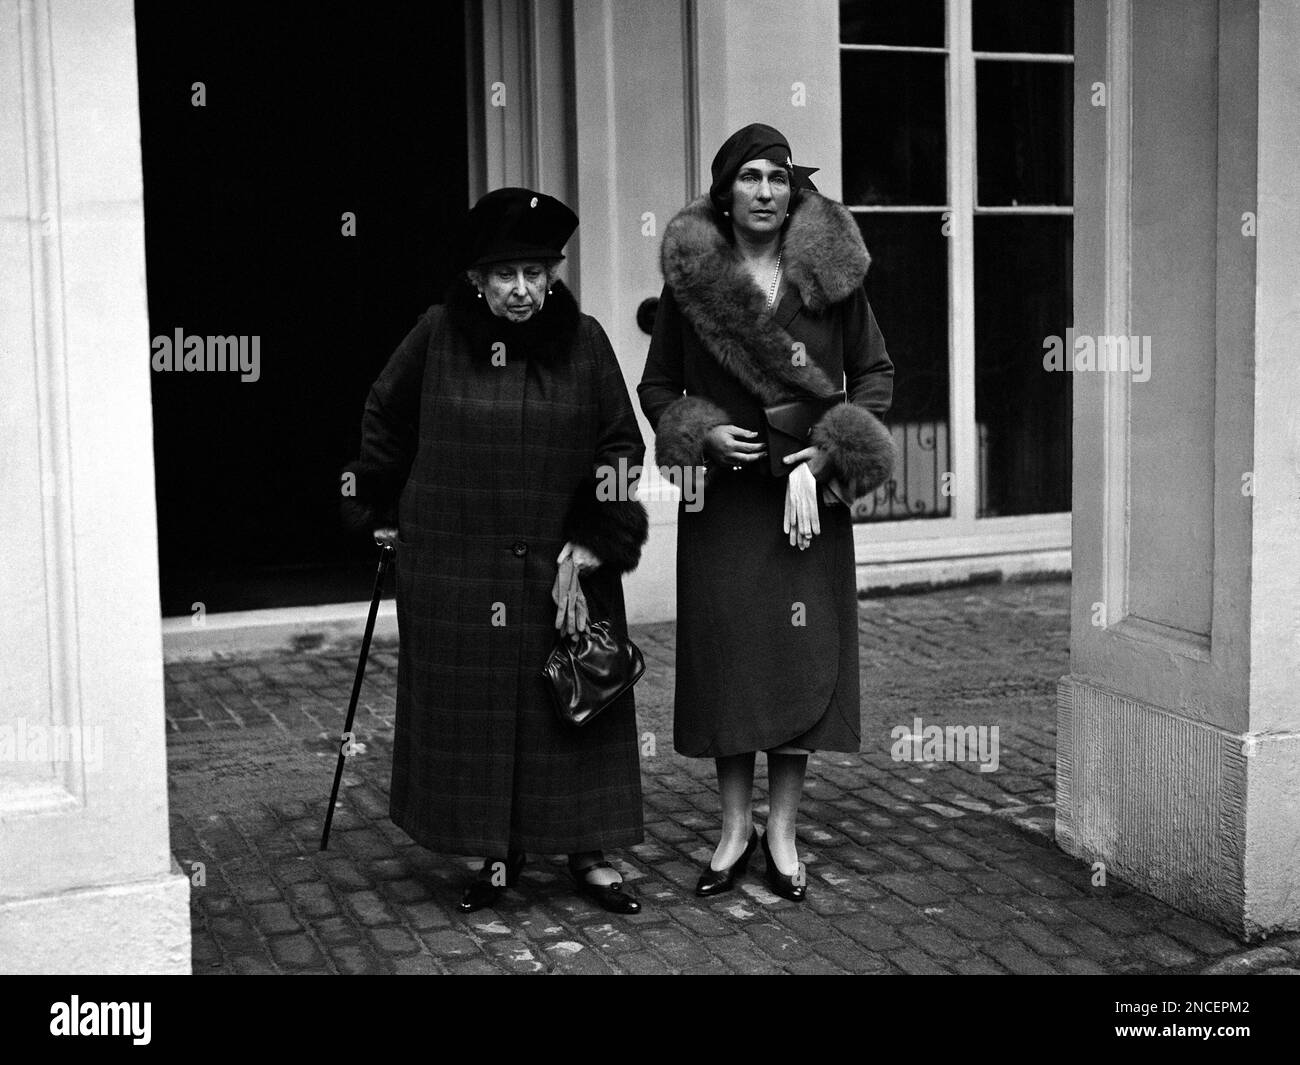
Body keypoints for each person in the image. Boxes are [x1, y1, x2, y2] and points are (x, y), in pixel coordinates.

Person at [344, 187, 649, 915]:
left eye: (536, 273)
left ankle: (589, 850)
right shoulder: (436, 335)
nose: (522, 289)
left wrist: (595, 534)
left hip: (562, 565)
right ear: (478, 279)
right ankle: (492, 853)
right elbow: (385, 412)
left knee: (571, 705)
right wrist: (381, 505)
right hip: (458, 562)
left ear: (554, 275)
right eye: (506, 274)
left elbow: (621, 444)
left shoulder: (589, 341)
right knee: (477, 711)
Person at [638, 124, 894, 902]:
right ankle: (732, 828)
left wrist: (826, 456)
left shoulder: (830, 277)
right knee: (731, 664)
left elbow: (874, 373)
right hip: (726, 504)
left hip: (805, 503)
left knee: (797, 658)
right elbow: (657, 388)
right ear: (726, 192)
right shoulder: (694, 286)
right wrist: (701, 432)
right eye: (748, 178)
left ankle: (782, 832)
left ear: (793, 191)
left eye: (777, 179)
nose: (764, 192)